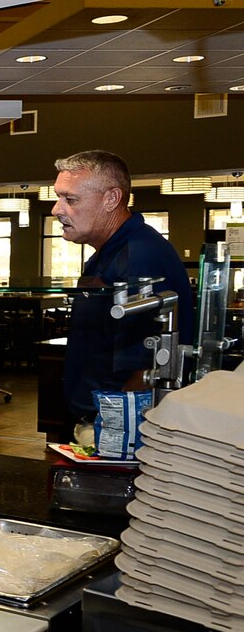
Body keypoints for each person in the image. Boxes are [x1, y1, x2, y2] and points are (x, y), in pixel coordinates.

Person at [52, 150, 194, 431]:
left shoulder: (137, 257)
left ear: (112, 199)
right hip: (96, 413)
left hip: (117, 425)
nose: (57, 209)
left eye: (71, 199)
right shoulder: (108, 252)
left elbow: (146, 368)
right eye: (58, 197)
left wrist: (114, 430)